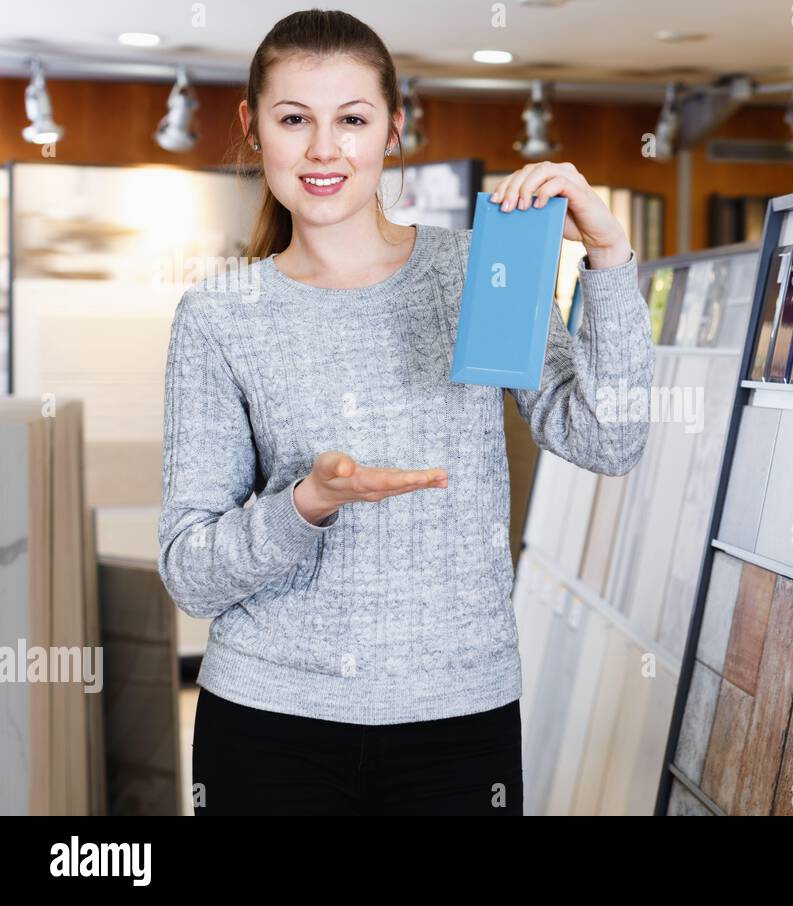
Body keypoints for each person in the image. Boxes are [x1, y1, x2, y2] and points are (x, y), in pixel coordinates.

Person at [159, 9, 654, 815]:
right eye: (295, 119)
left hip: (457, 720)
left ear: (393, 127)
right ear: (253, 128)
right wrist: (304, 506)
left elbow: (611, 436)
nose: (325, 150)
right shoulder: (221, 316)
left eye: (352, 120)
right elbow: (191, 571)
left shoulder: (476, 271)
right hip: (268, 725)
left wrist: (606, 257)